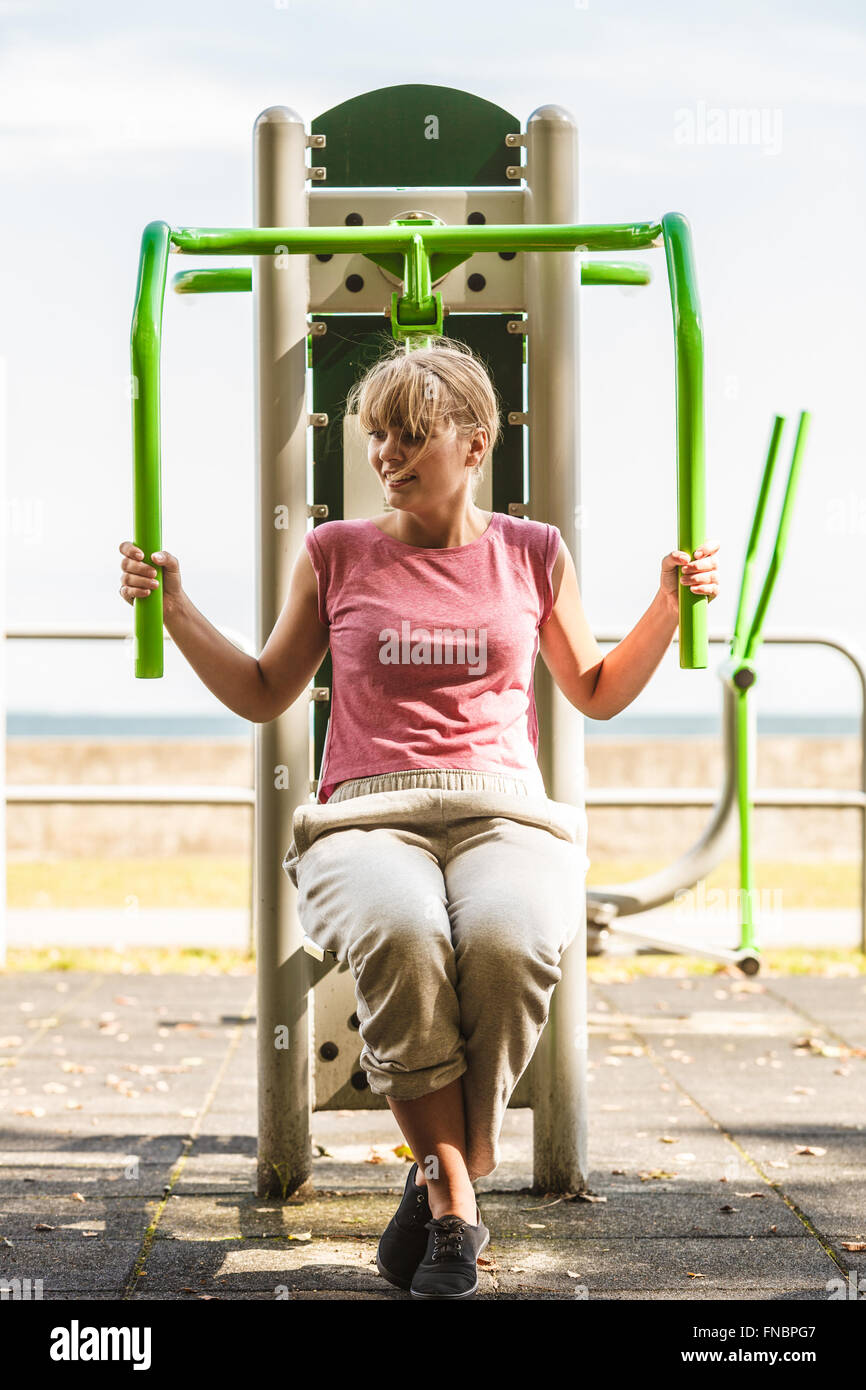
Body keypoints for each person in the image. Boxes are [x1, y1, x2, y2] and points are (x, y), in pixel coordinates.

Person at [119, 337, 720, 1300]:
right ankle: (454, 1204)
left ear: (475, 444)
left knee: (511, 938)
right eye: (377, 438)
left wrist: (663, 605)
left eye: (410, 438)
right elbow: (268, 689)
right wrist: (180, 607)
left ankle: (441, 1173)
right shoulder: (334, 553)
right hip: (365, 817)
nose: (388, 457)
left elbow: (597, 691)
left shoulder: (533, 553)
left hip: (502, 813)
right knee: (402, 931)